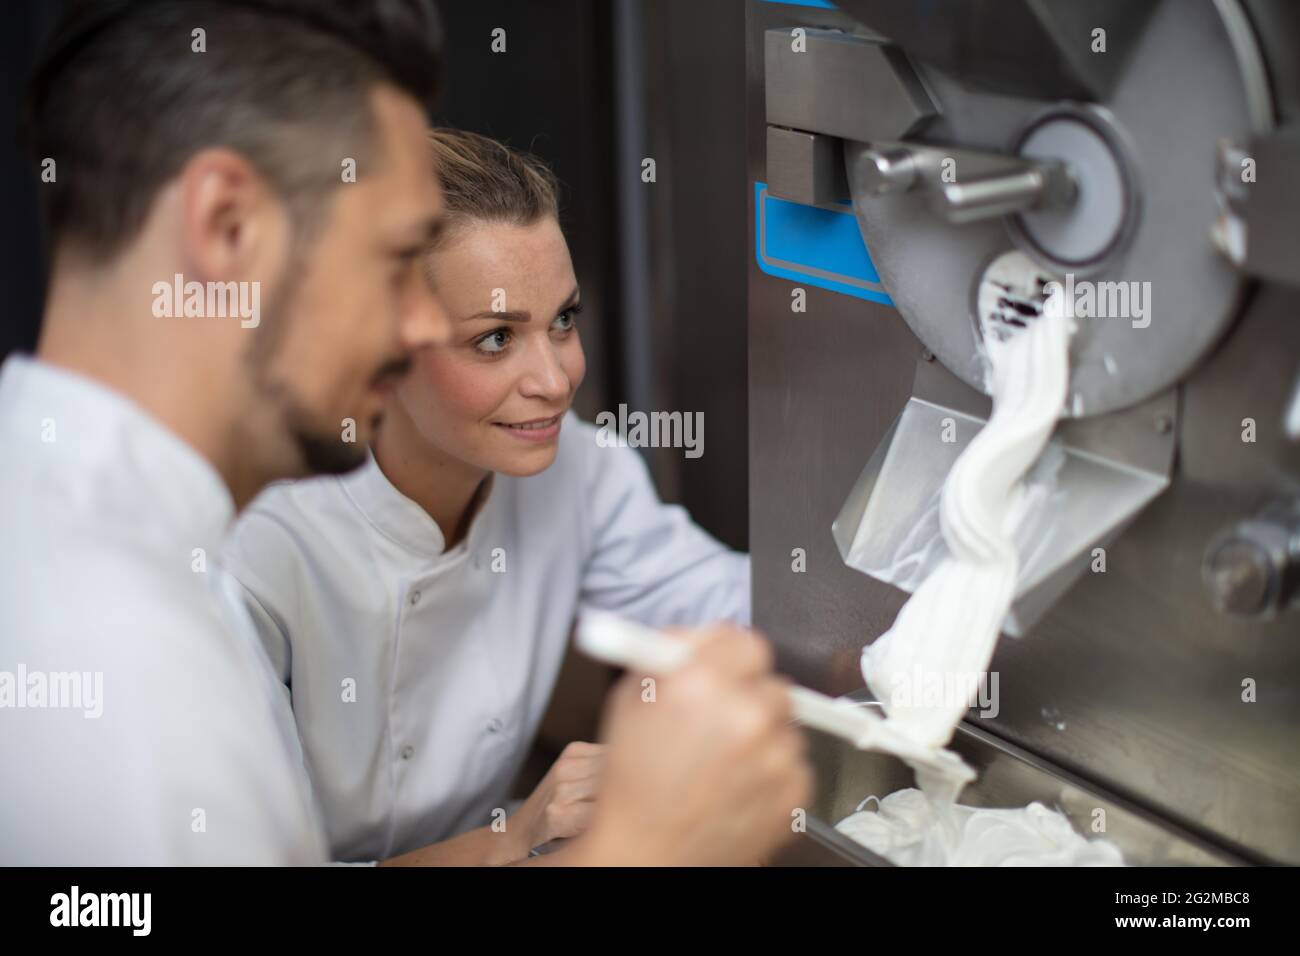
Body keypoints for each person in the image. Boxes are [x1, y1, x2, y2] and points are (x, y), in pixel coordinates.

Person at [0, 0, 810, 866]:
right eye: (392, 262)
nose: (420, 328)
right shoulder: (120, 660)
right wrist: (642, 850)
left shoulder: (105, 529)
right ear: (225, 230)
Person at [224, 129, 752, 864]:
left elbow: (730, 609)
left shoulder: (581, 469)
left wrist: (899, 641)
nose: (557, 379)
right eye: (497, 338)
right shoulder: (254, 543)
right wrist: (520, 834)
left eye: (562, 321)